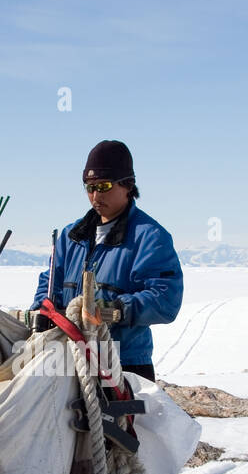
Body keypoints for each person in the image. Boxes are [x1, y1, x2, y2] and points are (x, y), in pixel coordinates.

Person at [29, 140, 183, 382]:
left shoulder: (149, 237)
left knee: (123, 422)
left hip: (125, 362)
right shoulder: (71, 236)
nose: (95, 195)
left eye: (104, 185)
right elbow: (49, 282)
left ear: (128, 185)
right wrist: (43, 307)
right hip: (69, 359)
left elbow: (166, 298)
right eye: (89, 187)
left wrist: (117, 309)